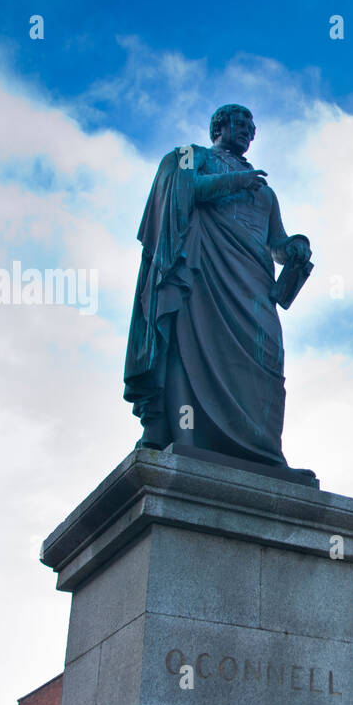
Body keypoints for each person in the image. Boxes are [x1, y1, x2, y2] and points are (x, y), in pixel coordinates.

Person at [123, 104, 315, 482]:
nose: (245, 130)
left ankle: (263, 449)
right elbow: (181, 192)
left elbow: (274, 241)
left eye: (251, 126)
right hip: (203, 273)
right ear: (218, 127)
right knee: (191, 347)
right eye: (238, 123)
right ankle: (183, 435)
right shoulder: (193, 157)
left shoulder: (265, 191)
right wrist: (234, 183)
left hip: (252, 283)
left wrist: (296, 247)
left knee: (268, 360)